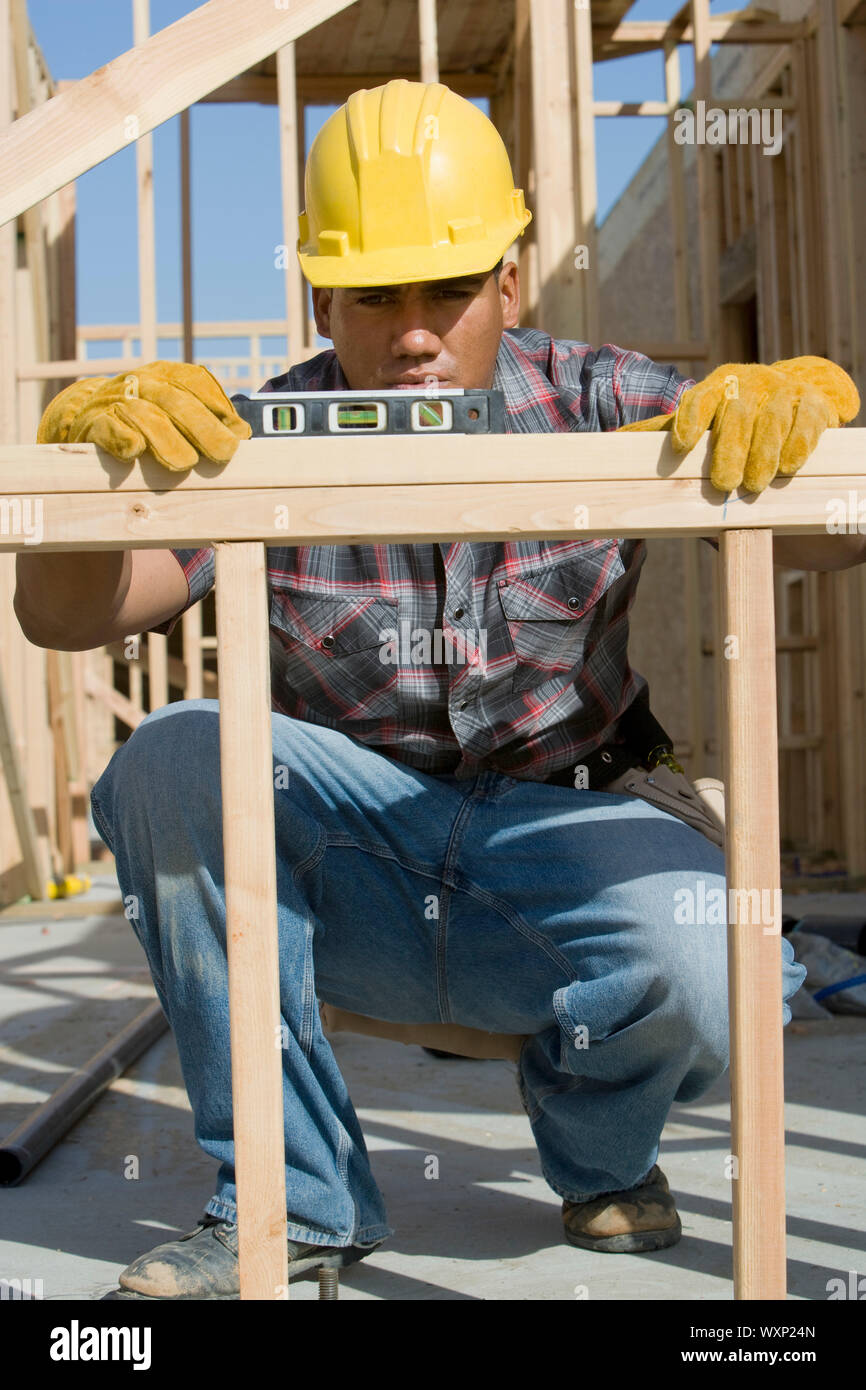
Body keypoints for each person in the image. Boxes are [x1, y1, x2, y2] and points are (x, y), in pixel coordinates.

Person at [16, 80, 862, 1301]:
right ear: (323, 298)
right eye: (376, 295)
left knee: (714, 955)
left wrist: (809, 444)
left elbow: (828, 537)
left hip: (567, 837)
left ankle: (599, 1154)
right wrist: (86, 491)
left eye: (445, 292)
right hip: (359, 862)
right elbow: (68, 614)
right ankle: (290, 1199)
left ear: (506, 286)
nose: (412, 332)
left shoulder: (598, 403)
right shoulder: (256, 440)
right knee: (172, 756)